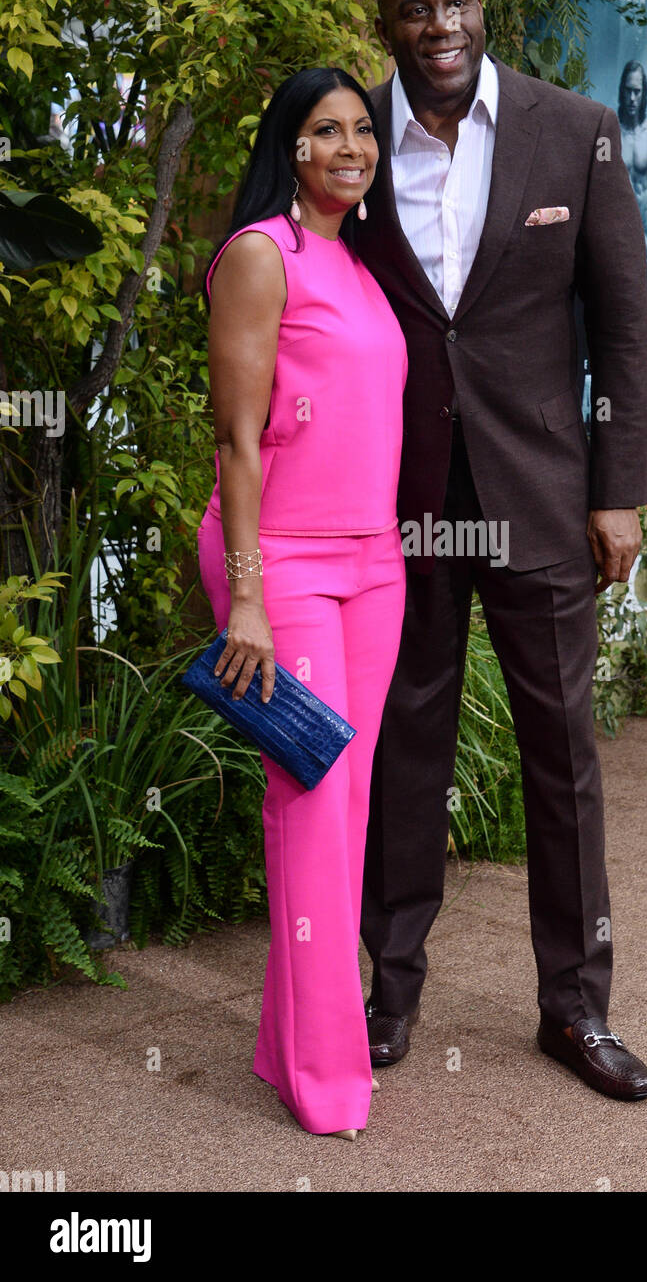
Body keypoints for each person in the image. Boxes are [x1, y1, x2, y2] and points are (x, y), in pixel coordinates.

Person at [356, 0, 647, 1102]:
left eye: (456, 1)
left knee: (562, 762)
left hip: (538, 499)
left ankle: (575, 1010)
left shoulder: (569, 128)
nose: (440, 24)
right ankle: (389, 991)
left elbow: (625, 327)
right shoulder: (353, 137)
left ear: (481, 5)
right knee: (405, 748)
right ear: (385, 24)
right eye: (414, 10)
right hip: (407, 502)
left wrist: (616, 489)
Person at [196, 67, 408, 1140]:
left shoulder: (362, 264)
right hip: (278, 563)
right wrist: (246, 598)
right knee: (314, 806)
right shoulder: (259, 256)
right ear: (289, 146)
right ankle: (326, 1079)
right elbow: (236, 439)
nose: (349, 146)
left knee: (342, 809)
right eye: (326, 130)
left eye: (363, 130)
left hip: (375, 562)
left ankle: (288, 1043)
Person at [618, 60, 647, 254]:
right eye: (628, 90)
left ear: (643, 93)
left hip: (642, 231)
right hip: (614, 230)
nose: (632, 98)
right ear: (621, 90)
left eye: (637, 91)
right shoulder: (610, 130)